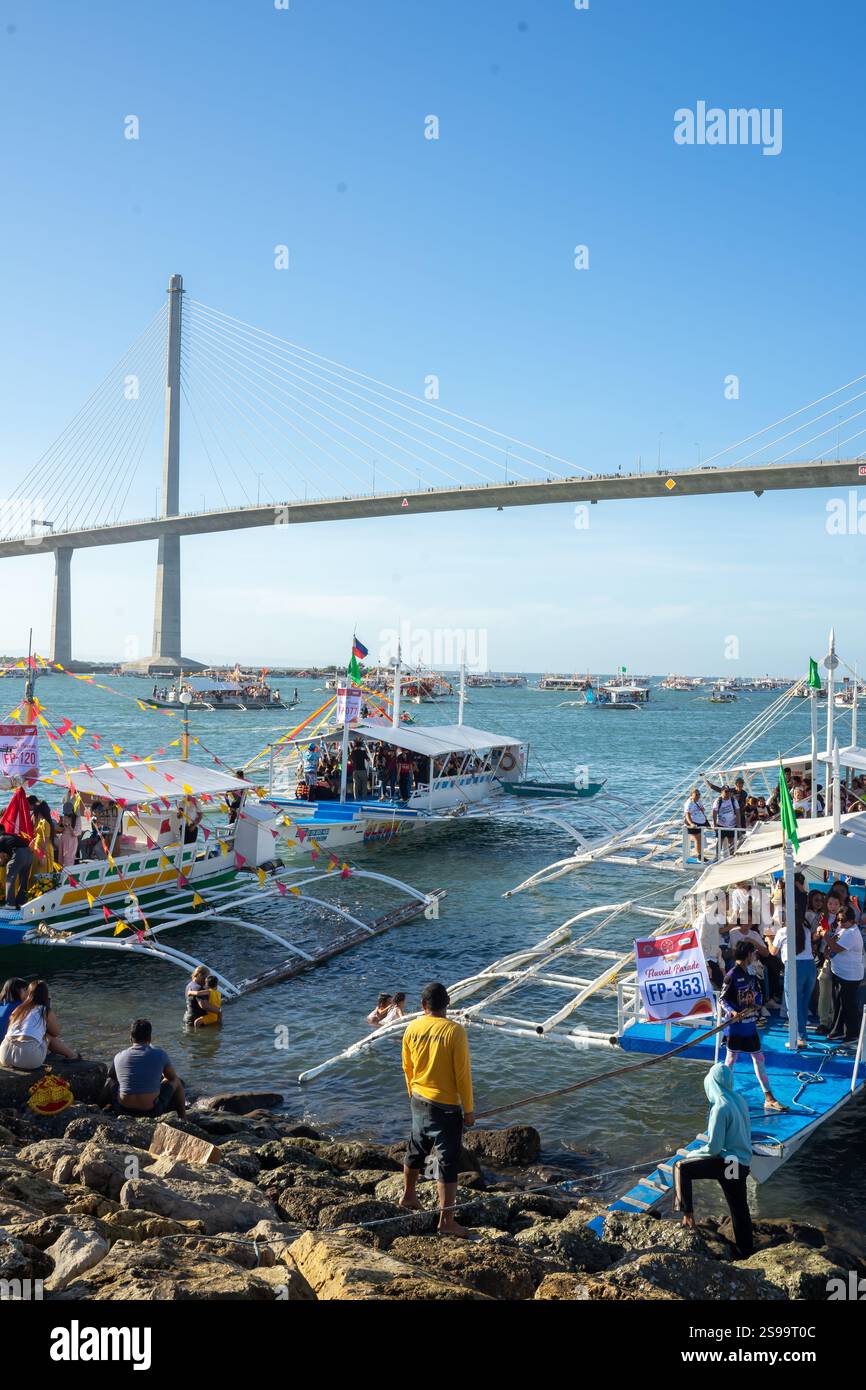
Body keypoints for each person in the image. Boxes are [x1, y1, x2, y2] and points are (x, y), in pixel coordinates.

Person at [400, 981, 475, 1237]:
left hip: (418, 1099)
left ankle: (409, 1196)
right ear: (448, 1005)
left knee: (416, 1148)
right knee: (447, 1162)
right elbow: (462, 1076)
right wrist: (469, 1110)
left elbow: (406, 1067)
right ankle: (446, 1222)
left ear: (423, 1006)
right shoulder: (455, 1032)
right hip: (446, 1107)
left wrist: (413, 1094)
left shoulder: (412, 1027)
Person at [674, 1063, 754, 1258]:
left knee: (680, 1168)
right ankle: (746, 1251)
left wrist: (692, 1154)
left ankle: (688, 1217)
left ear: (711, 1082)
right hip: (740, 1163)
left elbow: (714, 1148)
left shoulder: (720, 1106)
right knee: (739, 1209)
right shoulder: (740, 1100)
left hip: (726, 1163)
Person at [720, 942, 786, 1111]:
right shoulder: (731, 975)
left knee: (759, 1059)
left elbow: (757, 993)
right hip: (735, 1028)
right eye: (753, 953)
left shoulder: (751, 973)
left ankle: (769, 1098)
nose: (755, 955)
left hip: (750, 1026)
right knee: (730, 1061)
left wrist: (757, 1003)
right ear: (748, 954)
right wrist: (733, 1013)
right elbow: (723, 999)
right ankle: (724, 1096)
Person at [103, 1019, 186, 1117]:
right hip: (151, 1111)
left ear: (131, 1039)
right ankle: (183, 1117)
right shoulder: (160, 1054)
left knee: (110, 1082)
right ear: (150, 1038)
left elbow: (112, 1076)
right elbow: (171, 1078)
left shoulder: (119, 1056)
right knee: (177, 1081)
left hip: (122, 1109)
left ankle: (97, 1108)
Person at [0, 980, 79, 1070]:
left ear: (28, 993)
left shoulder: (18, 1009)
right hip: (29, 1059)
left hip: (4, 1054)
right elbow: (56, 1033)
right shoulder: (44, 1010)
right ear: (45, 995)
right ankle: (72, 1055)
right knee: (48, 1036)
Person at [767, 904, 815, 1046]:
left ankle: (798, 1037)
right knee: (803, 1002)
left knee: (793, 1004)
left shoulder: (783, 932)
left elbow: (773, 952)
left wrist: (768, 938)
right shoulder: (806, 930)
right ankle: (803, 1034)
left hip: (794, 967)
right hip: (810, 967)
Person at [826, 906, 865, 1042]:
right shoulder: (843, 929)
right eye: (838, 920)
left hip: (850, 976)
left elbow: (836, 947)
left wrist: (825, 936)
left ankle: (853, 1033)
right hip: (841, 973)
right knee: (840, 1003)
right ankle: (838, 1030)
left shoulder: (852, 932)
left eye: (843, 920)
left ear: (852, 920)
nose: (840, 923)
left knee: (848, 1005)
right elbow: (834, 945)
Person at [0, 832, 33, 907]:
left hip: (20, 853)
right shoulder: (10, 837)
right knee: (23, 879)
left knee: (10, 878)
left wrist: (2, 864)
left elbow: (1, 856)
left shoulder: (1, 839)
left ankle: (10, 904)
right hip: (29, 854)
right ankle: (21, 902)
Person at [712, 786, 739, 857]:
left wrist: (738, 824)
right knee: (720, 840)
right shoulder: (718, 801)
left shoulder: (733, 800)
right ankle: (717, 856)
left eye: (728, 791)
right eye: (726, 791)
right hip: (721, 824)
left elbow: (737, 812)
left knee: (732, 841)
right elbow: (714, 812)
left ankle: (732, 856)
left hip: (732, 824)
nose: (727, 793)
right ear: (721, 792)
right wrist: (714, 824)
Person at [684, 789, 708, 861]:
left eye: (699, 794)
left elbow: (702, 809)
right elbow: (687, 814)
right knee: (697, 839)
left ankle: (700, 854)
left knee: (699, 838)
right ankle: (699, 856)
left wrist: (702, 809)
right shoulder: (689, 803)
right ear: (691, 795)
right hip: (693, 822)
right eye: (696, 794)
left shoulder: (699, 801)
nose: (698, 796)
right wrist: (691, 823)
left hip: (700, 822)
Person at [0, 978, 26, 1044]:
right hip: (6, 1044)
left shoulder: (1, 1004)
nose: (26, 992)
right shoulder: (20, 1005)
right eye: (24, 989)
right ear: (17, 991)